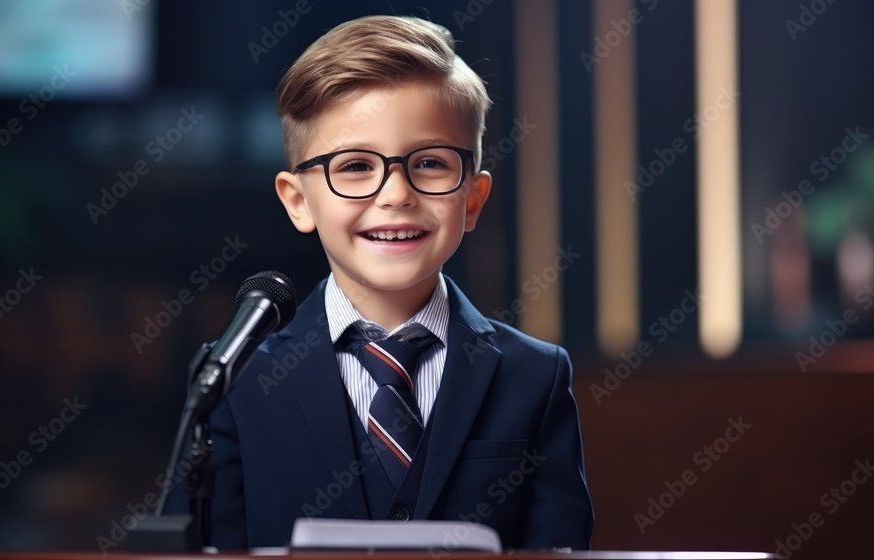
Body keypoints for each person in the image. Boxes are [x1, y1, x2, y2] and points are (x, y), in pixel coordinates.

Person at [172, 14, 593, 551]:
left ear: (473, 199)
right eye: (353, 167)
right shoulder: (231, 381)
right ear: (298, 201)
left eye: (431, 163)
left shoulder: (535, 375)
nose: (395, 193)